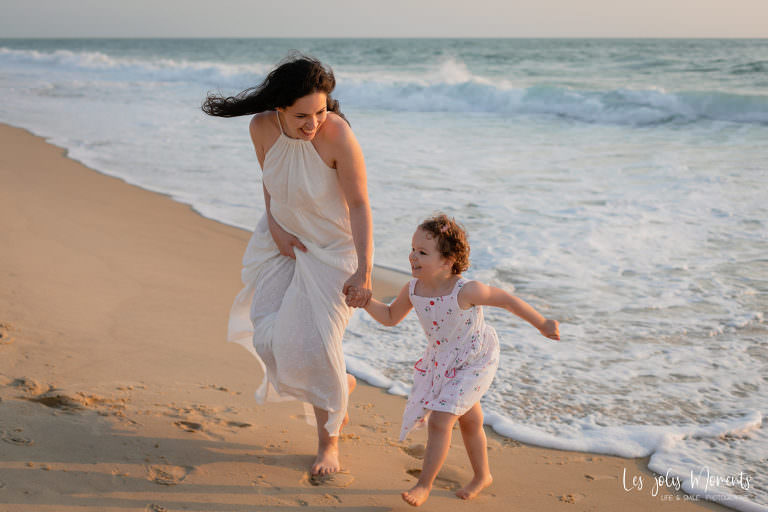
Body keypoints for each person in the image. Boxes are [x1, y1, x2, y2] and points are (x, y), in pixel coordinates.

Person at [202, 54, 373, 477]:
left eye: (321, 110)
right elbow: (271, 180)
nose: (313, 122)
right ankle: (341, 386)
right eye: (302, 115)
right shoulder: (261, 127)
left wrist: (364, 270)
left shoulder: (338, 136)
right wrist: (276, 230)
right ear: (279, 107)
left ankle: (328, 444)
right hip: (284, 240)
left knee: (317, 344)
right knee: (268, 336)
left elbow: (359, 204)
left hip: (334, 250)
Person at [358, 214, 559, 506]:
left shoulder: (466, 291)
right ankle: (483, 476)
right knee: (470, 420)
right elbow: (389, 317)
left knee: (441, 420)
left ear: (448, 260)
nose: (413, 256)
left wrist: (541, 323)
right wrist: (366, 302)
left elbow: (507, 300)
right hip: (444, 361)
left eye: (423, 252)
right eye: (413, 249)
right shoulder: (412, 289)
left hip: (475, 360)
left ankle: (424, 485)